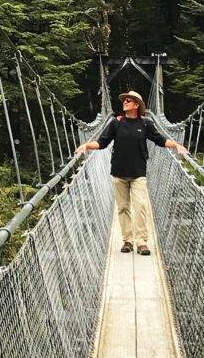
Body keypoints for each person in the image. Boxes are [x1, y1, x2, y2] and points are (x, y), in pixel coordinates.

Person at [75, 90, 187, 255]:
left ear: (136, 105)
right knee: (123, 208)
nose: (125, 102)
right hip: (119, 172)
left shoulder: (145, 124)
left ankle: (141, 242)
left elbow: (160, 140)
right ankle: (127, 241)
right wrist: (86, 145)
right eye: (124, 100)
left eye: (129, 100)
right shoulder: (116, 123)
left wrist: (176, 145)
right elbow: (102, 143)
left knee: (140, 206)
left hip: (138, 173)